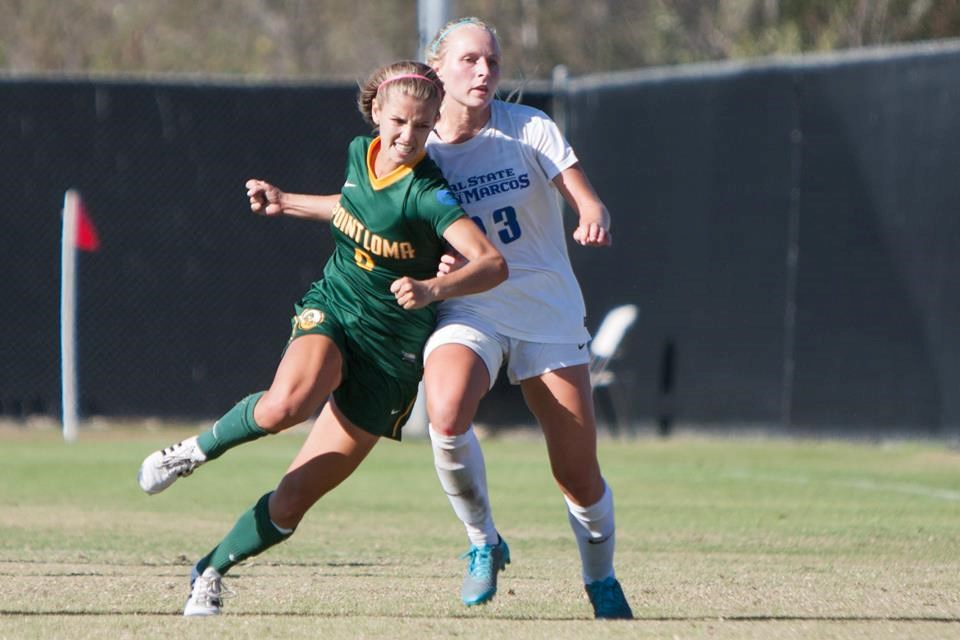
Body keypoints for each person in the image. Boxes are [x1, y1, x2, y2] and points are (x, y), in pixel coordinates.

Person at [136, 60, 507, 616]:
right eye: (400, 121)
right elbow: (353, 206)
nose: (408, 136)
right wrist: (287, 202)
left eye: (423, 126)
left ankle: (210, 570)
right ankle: (190, 453)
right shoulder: (361, 154)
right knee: (285, 404)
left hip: (392, 358)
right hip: (336, 309)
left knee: (291, 503)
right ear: (377, 111)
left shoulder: (428, 194)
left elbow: (493, 263)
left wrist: (434, 288)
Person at [418, 17, 633, 620]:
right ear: (437, 68)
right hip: (471, 306)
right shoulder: (420, 150)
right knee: (447, 412)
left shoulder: (529, 127)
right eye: (468, 60)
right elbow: (391, 218)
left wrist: (593, 212)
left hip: (546, 311)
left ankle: (601, 579)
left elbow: (585, 195)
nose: (484, 71)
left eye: (491, 60)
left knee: (577, 473)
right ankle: (483, 541)